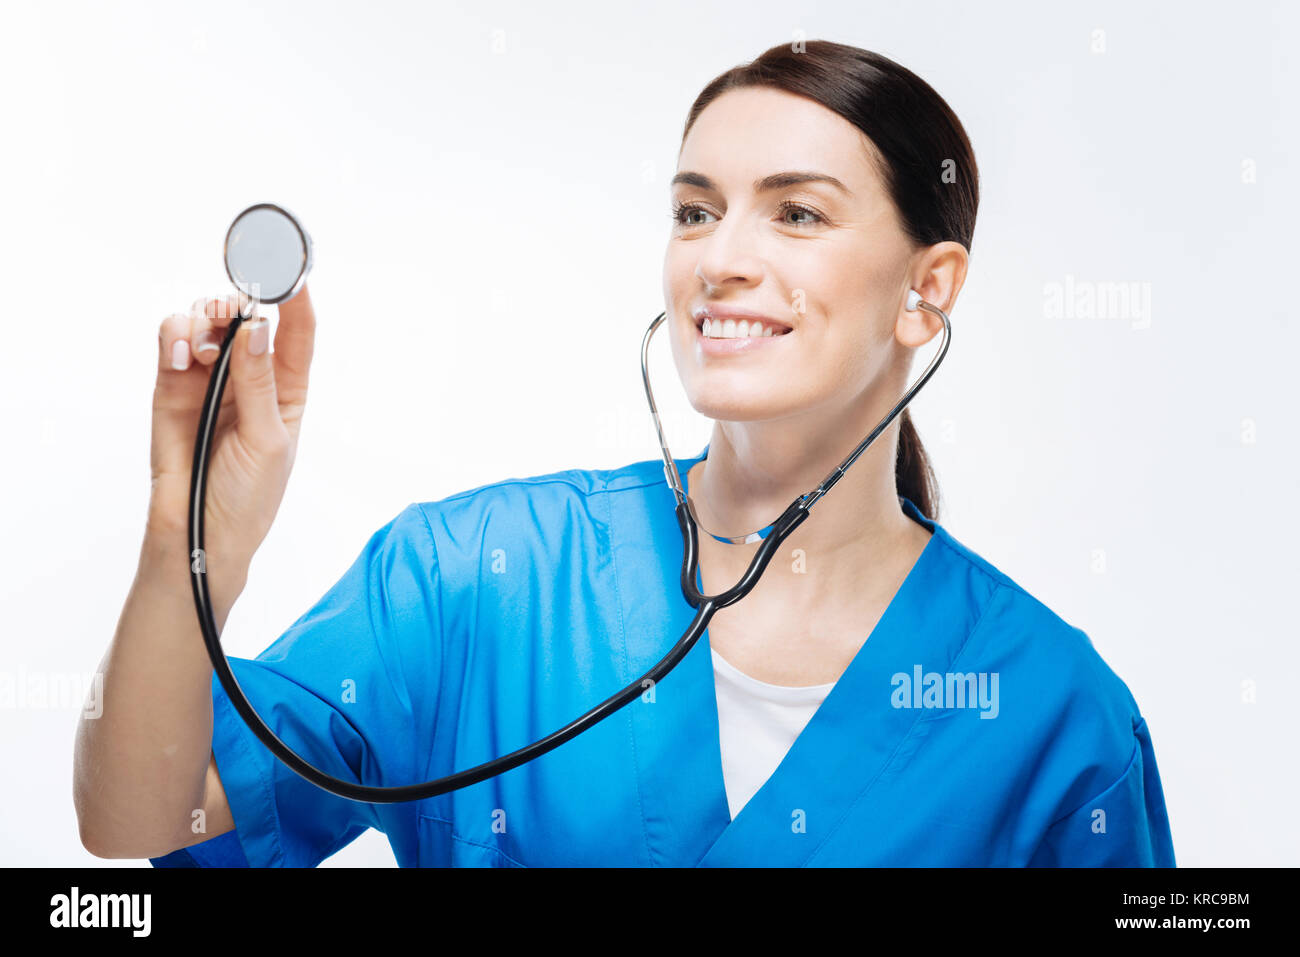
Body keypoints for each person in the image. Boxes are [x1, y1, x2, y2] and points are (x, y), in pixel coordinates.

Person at [74, 39, 1175, 867]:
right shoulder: (480, 575)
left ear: (925, 292)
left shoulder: (1051, 713)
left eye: (796, 215)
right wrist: (191, 536)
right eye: (696, 212)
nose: (722, 260)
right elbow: (137, 825)